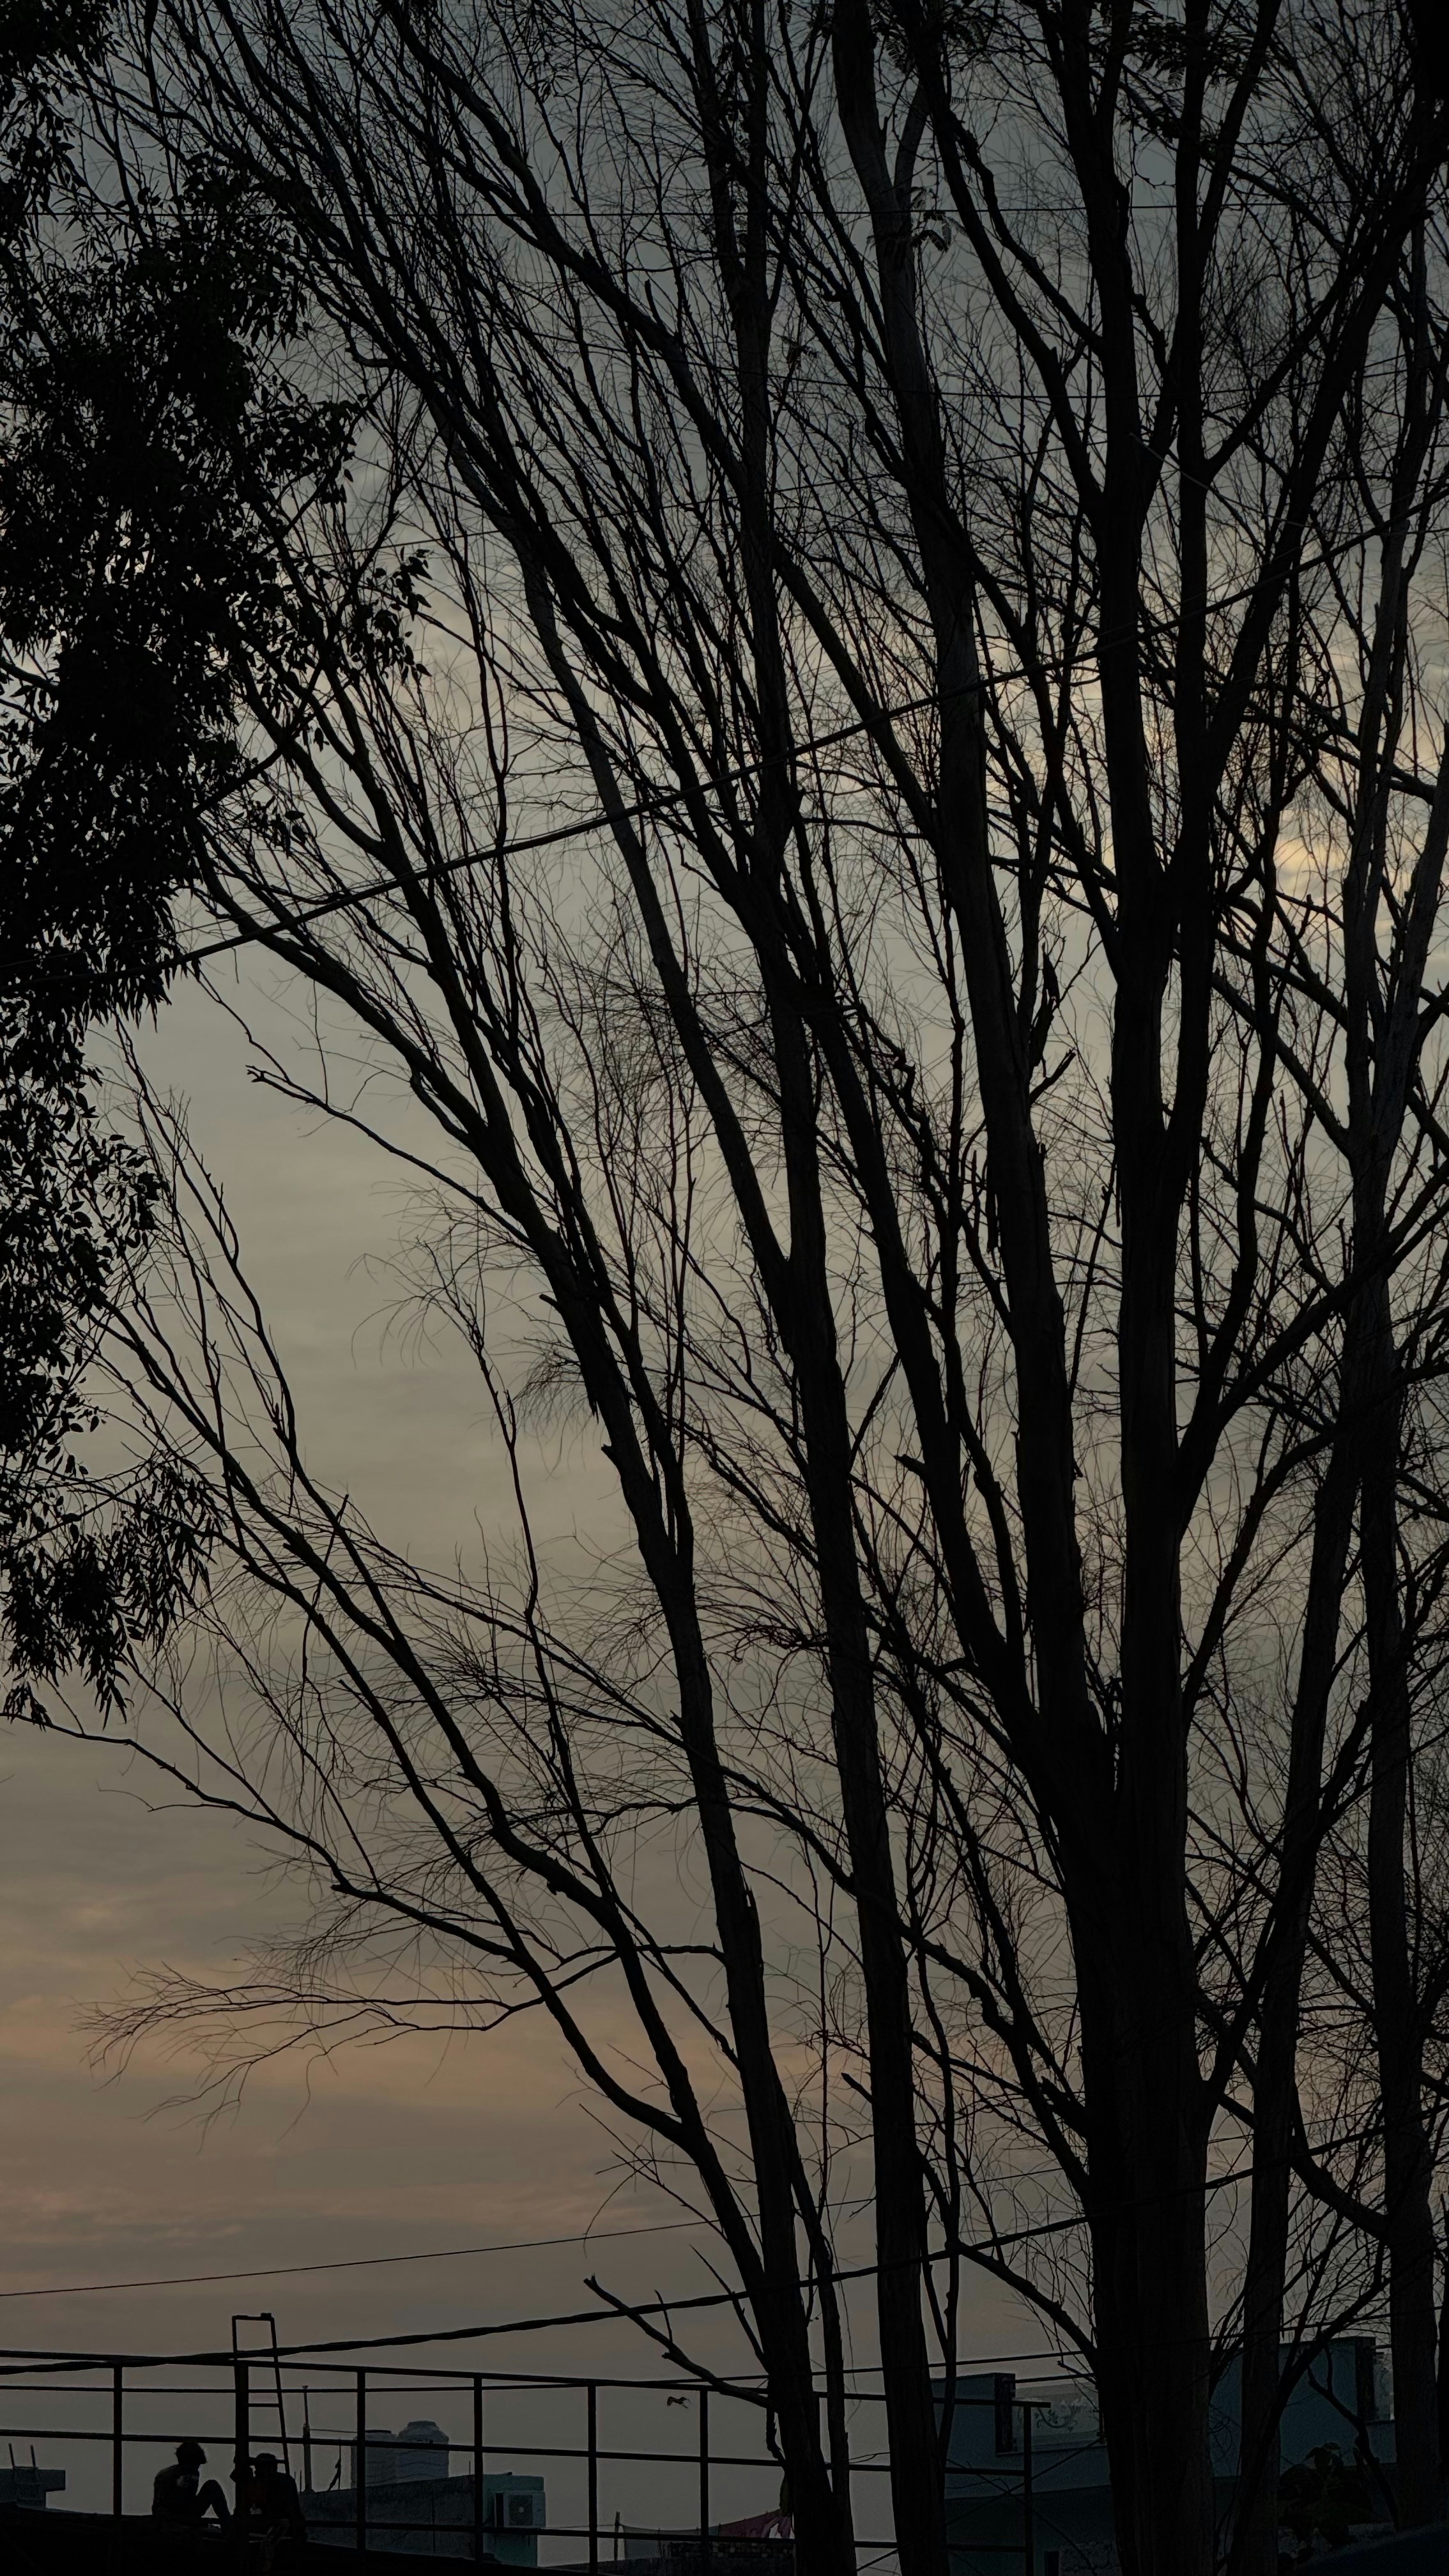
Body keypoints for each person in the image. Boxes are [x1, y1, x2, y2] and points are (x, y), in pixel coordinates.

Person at [152, 2439, 232, 2529]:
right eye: (193, 2466)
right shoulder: (165, 2477)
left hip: (188, 2513)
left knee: (212, 2486)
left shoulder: (193, 2474)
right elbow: (160, 2510)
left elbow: (191, 2503)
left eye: (197, 2467)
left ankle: (228, 2529)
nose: (196, 2470)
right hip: (173, 2518)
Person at [249, 2452, 307, 2545]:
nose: (256, 2472)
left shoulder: (281, 2482)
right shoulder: (285, 2480)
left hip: (276, 2527)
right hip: (278, 2527)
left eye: (258, 2468)